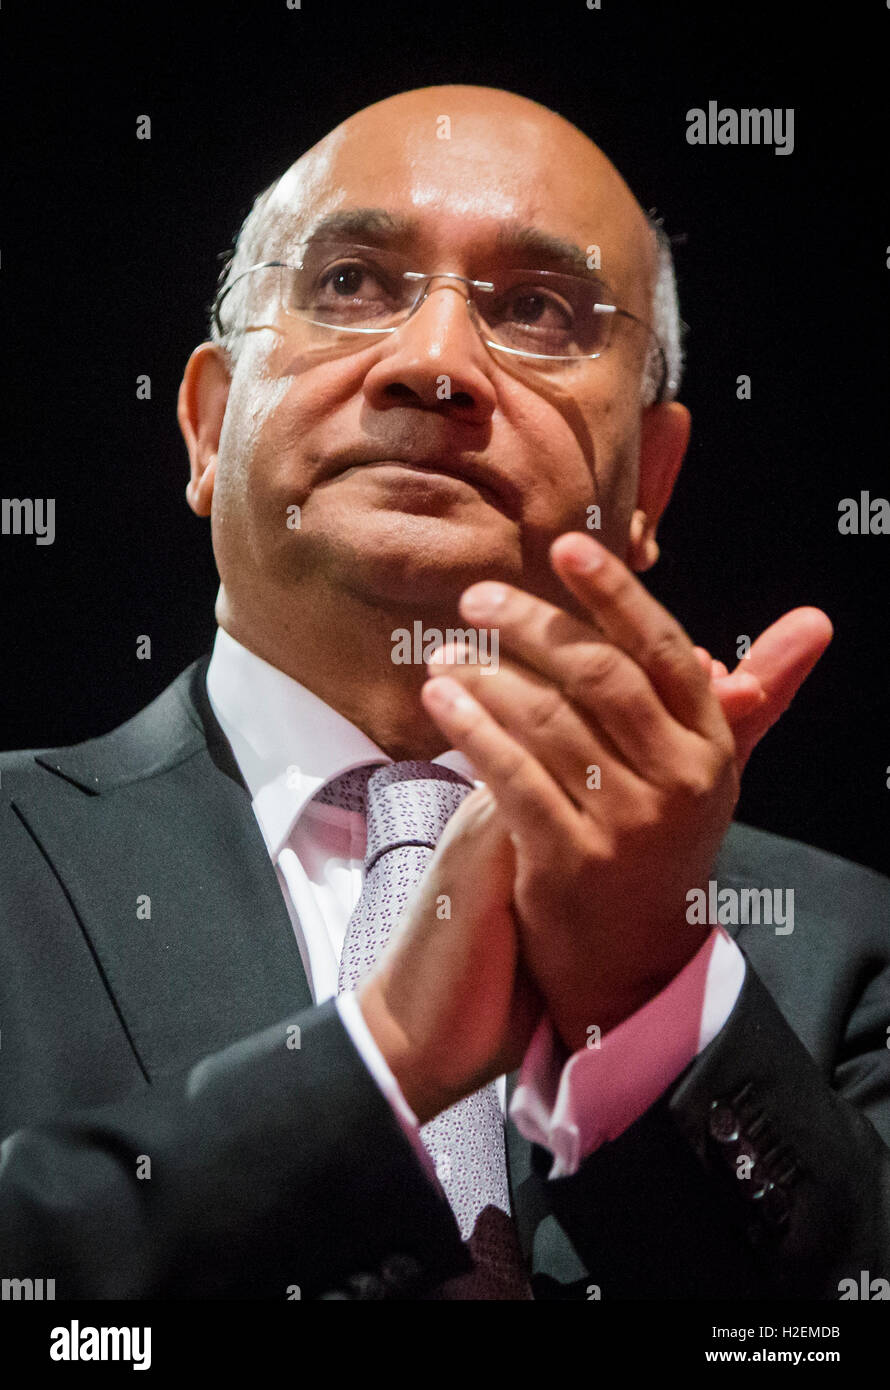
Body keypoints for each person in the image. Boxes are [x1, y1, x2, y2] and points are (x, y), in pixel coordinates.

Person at [1, 85, 887, 1301]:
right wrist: (381, 1062)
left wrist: (649, 1004)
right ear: (208, 429)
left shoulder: (847, 949)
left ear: (650, 484)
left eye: (535, 308)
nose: (433, 363)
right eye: (351, 283)